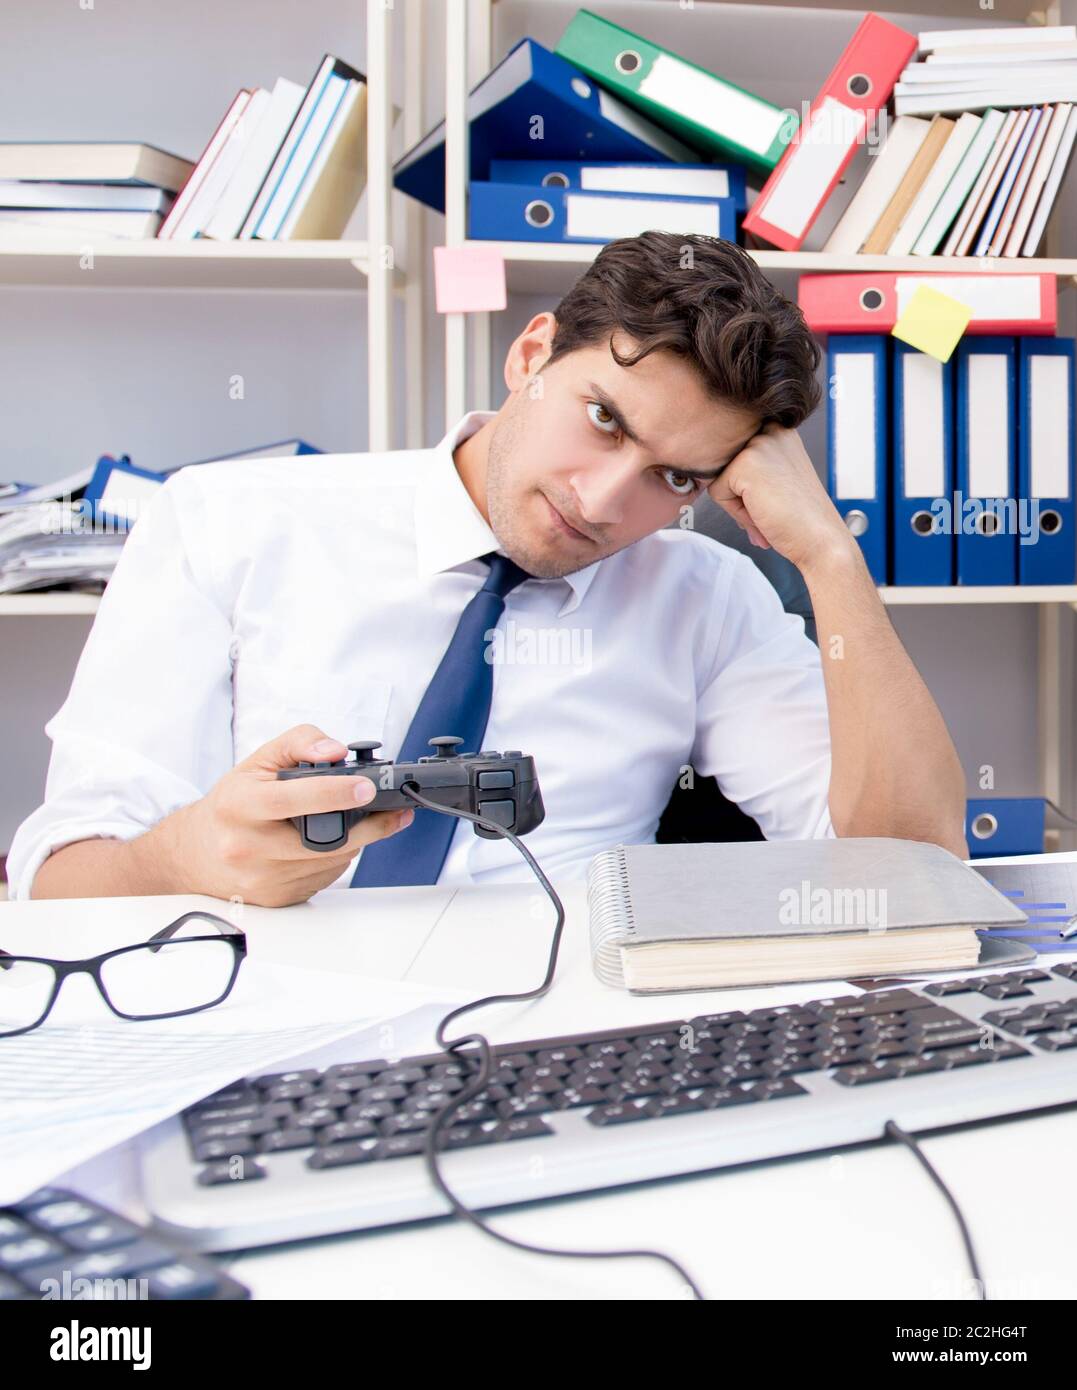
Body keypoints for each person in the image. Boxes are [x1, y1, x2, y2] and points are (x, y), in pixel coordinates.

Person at [9, 232, 967, 906]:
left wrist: (831, 556)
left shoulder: (705, 597)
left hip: (576, 1043)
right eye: (603, 420)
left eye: (673, 475)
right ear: (531, 353)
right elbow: (57, 881)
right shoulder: (227, 520)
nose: (601, 503)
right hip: (265, 1016)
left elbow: (911, 867)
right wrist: (187, 857)